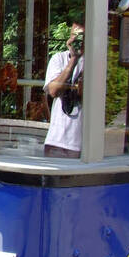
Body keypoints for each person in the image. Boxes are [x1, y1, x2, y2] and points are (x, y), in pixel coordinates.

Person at [43, 19, 84, 159]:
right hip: (57, 141)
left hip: (83, 144)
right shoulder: (59, 59)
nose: (78, 40)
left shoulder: (96, 61)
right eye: (75, 35)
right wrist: (73, 61)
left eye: (82, 36)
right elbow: (53, 91)